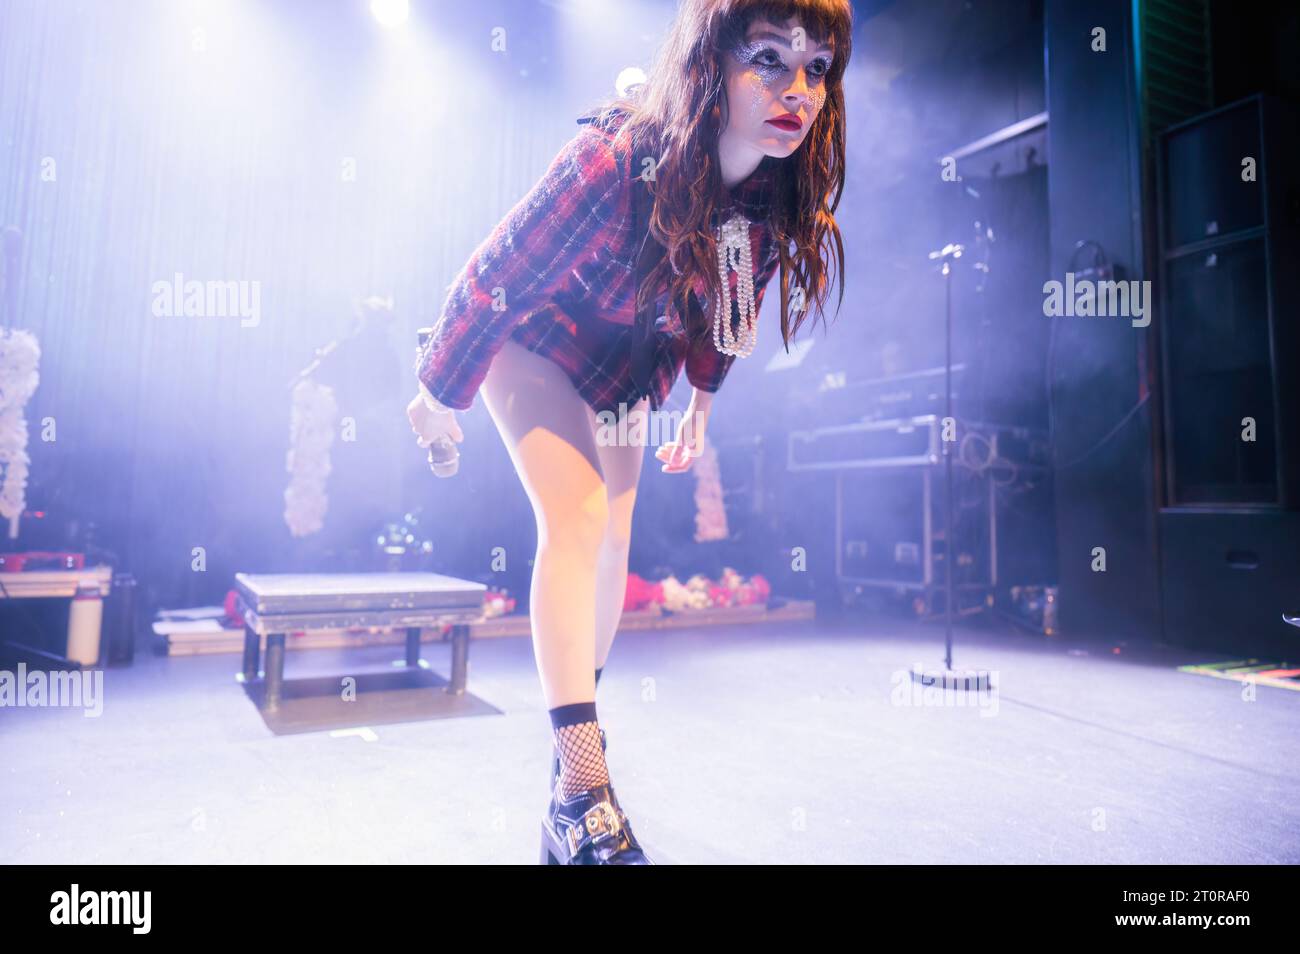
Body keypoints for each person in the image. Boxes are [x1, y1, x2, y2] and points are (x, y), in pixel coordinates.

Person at [407, 0, 851, 864]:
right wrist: (440, 390)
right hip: (537, 334)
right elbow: (495, 276)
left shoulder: (761, 201)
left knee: (613, 540)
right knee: (571, 519)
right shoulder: (612, 160)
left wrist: (702, 403)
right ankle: (583, 784)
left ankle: (570, 776)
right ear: (710, 64)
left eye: (817, 69)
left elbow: (729, 315)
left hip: (629, 360)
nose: (797, 90)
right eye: (769, 59)